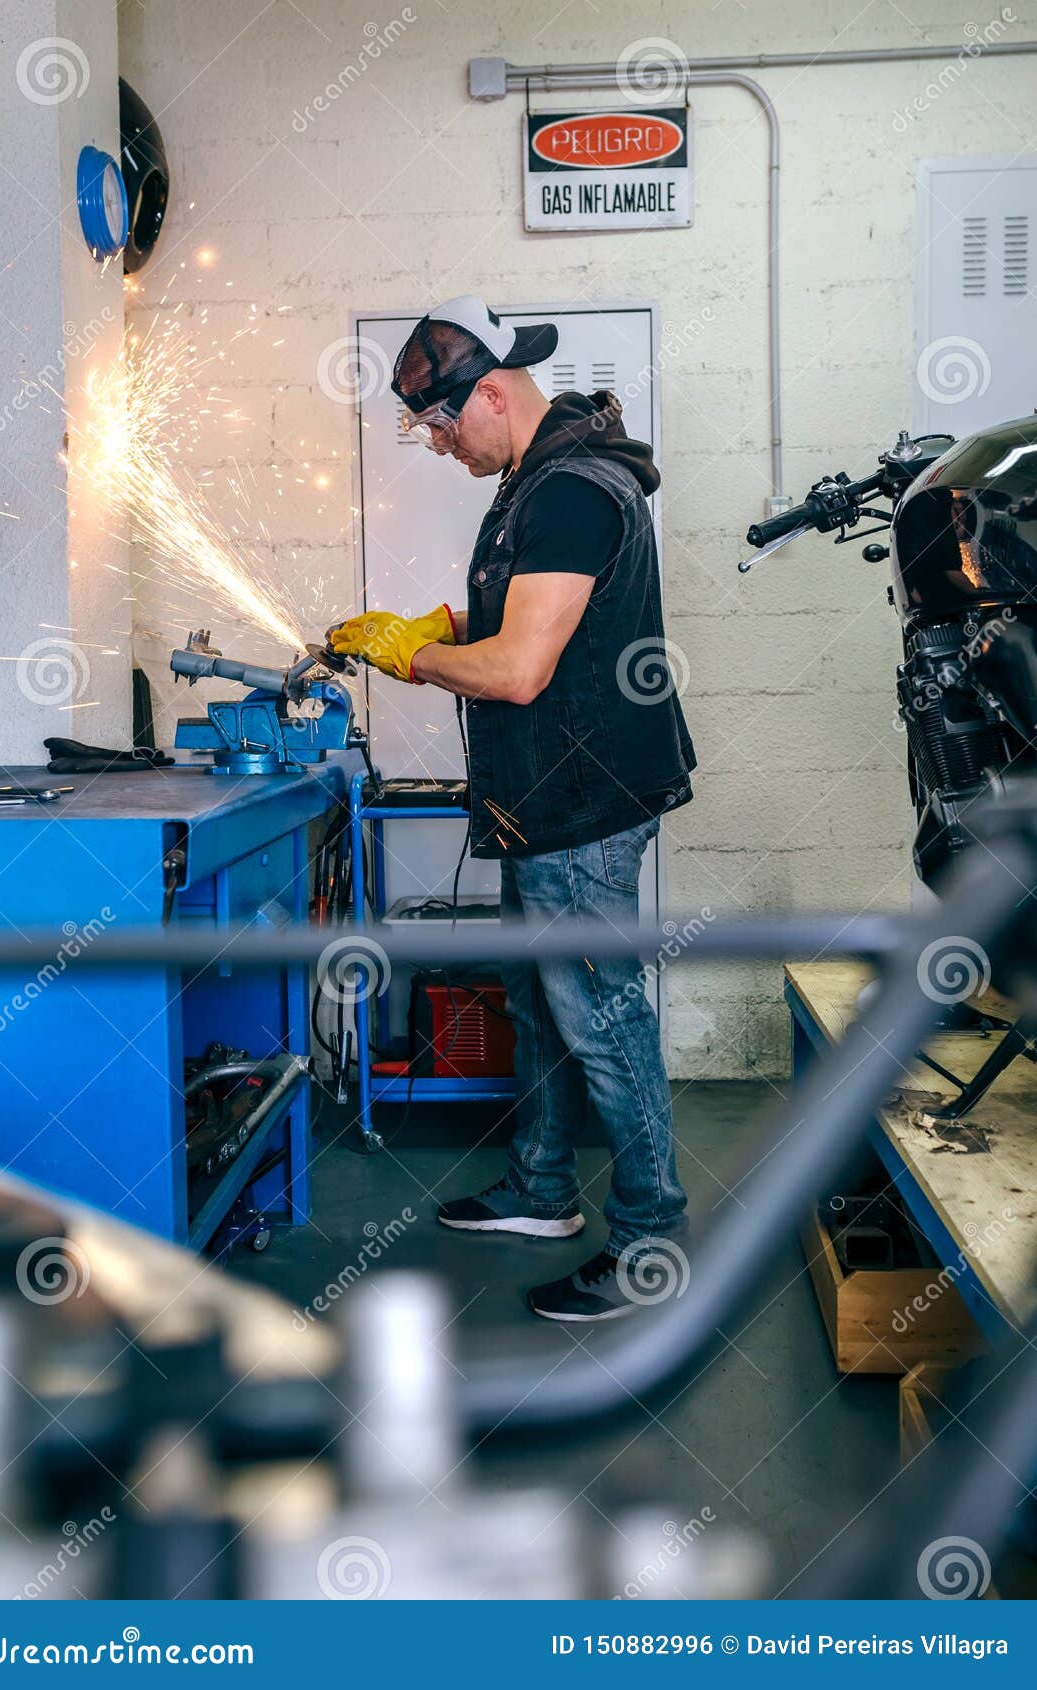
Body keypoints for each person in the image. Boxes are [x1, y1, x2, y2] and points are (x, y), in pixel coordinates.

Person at [332, 296, 697, 1321]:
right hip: (540, 801)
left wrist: (414, 657)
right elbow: (519, 609)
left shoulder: (571, 491)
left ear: (490, 392)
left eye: (443, 425)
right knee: (538, 1000)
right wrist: (433, 620)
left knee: (602, 1016)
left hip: (581, 803)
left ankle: (649, 1239)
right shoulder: (531, 481)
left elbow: (521, 666)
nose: (439, 445)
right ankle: (542, 1191)